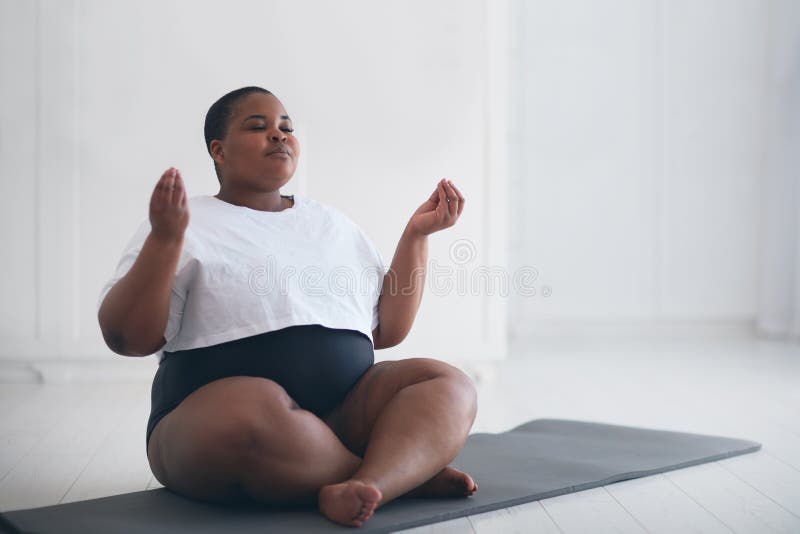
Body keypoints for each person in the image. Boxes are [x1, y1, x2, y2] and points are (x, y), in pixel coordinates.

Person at [96, 86, 477, 528]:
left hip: (342, 416)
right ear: (218, 151)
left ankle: (367, 481)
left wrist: (416, 235)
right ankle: (400, 475)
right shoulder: (185, 220)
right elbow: (126, 337)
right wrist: (164, 241)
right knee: (252, 411)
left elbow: (387, 330)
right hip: (211, 422)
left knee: (447, 384)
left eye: (286, 128)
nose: (278, 135)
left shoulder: (332, 225)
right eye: (258, 127)